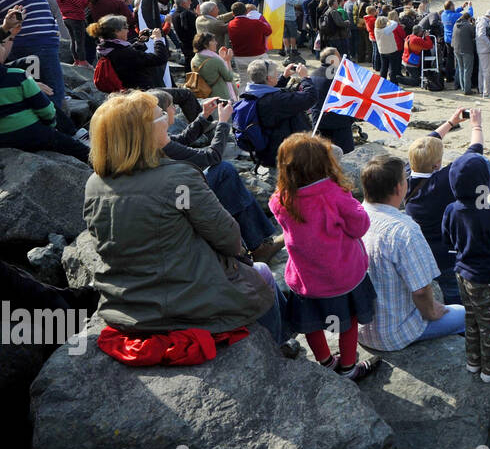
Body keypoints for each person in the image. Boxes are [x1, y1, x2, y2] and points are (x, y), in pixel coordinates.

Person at [83, 91, 285, 342]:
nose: (169, 118)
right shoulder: (178, 180)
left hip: (124, 305)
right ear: (143, 132)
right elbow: (229, 238)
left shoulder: (94, 183)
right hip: (185, 303)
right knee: (263, 274)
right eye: (161, 115)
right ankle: (275, 349)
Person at [270, 133, 377, 382]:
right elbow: (359, 226)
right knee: (347, 322)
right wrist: (350, 199)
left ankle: (326, 363)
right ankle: (349, 368)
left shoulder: (280, 199)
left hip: (306, 280)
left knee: (313, 324)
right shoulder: (334, 193)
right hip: (343, 278)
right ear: (324, 163)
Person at [149, 90, 283, 261]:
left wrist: (204, 116)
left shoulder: (151, 137)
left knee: (223, 175)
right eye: (171, 106)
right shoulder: (160, 144)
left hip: (171, 196)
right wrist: (223, 122)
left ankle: (252, 244)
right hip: (178, 199)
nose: (175, 109)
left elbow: (182, 139)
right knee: (223, 171)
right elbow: (212, 157)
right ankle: (258, 246)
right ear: (161, 115)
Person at [358, 154, 466, 351]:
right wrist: (433, 312)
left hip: (360, 328)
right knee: (466, 314)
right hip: (394, 333)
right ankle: (477, 360)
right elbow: (421, 290)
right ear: (399, 188)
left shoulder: (355, 216)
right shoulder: (404, 230)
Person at [442, 139, 490, 383]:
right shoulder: (489, 214)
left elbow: (447, 238)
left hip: (461, 272)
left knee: (471, 318)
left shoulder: (451, 209)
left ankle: (474, 360)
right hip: (485, 277)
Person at [0, 12, 88, 161]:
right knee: (74, 147)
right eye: (1, 45)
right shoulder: (18, 75)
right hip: (30, 132)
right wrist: (50, 126)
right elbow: (46, 110)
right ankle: (101, 163)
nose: (4, 48)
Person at [405, 106, 483, 305]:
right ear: (436, 165)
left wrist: (451, 122)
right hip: (444, 254)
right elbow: (472, 157)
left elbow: (424, 145)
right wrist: (477, 127)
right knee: (453, 293)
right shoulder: (440, 183)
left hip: (421, 251)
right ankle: (458, 328)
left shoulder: (404, 176)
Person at [239, 58, 317, 170]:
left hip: (266, 151)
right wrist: (305, 78)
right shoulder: (277, 101)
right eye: (277, 73)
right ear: (269, 78)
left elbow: (269, 89)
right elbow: (310, 97)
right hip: (283, 154)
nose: (278, 74)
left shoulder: (251, 92)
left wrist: (284, 78)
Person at [307, 48, 356, 154]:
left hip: (319, 121)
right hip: (338, 124)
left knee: (323, 156)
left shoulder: (313, 74)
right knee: (344, 155)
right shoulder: (336, 77)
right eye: (339, 57)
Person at [190, 32, 239, 102]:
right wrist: (227, 61)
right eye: (213, 41)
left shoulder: (194, 60)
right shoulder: (215, 60)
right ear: (205, 44)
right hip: (221, 96)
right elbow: (229, 77)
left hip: (205, 96)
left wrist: (222, 59)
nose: (216, 43)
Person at [227, 2, 271, 71]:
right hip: (257, 55)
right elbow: (269, 31)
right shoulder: (257, 23)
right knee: (262, 78)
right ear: (246, 12)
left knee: (244, 79)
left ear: (233, 14)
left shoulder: (230, 24)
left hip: (239, 57)